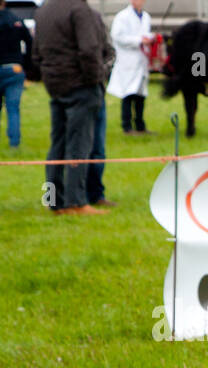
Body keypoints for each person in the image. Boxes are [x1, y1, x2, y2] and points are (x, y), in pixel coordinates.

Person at [33, 0, 113, 214]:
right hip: (81, 86)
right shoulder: (79, 9)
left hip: (56, 85)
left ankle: (53, 200)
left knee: (57, 146)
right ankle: (76, 202)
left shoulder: (43, 11)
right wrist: (95, 79)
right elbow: (89, 49)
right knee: (79, 145)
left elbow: (36, 53)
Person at [107, 0, 152, 135]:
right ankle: (126, 126)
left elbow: (146, 34)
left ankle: (140, 125)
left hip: (141, 60)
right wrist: (138, 40)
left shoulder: (146, 17)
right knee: (127, 93)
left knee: (141, 94)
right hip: (127, 60)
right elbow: (117, 37)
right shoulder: (122, 17)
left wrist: (149, 39)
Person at [0, 0, 33, 148]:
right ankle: (14, 143)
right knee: (13, 108)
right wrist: (24, 64)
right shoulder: (15, 20)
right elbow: (30, 43)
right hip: (14, 68)